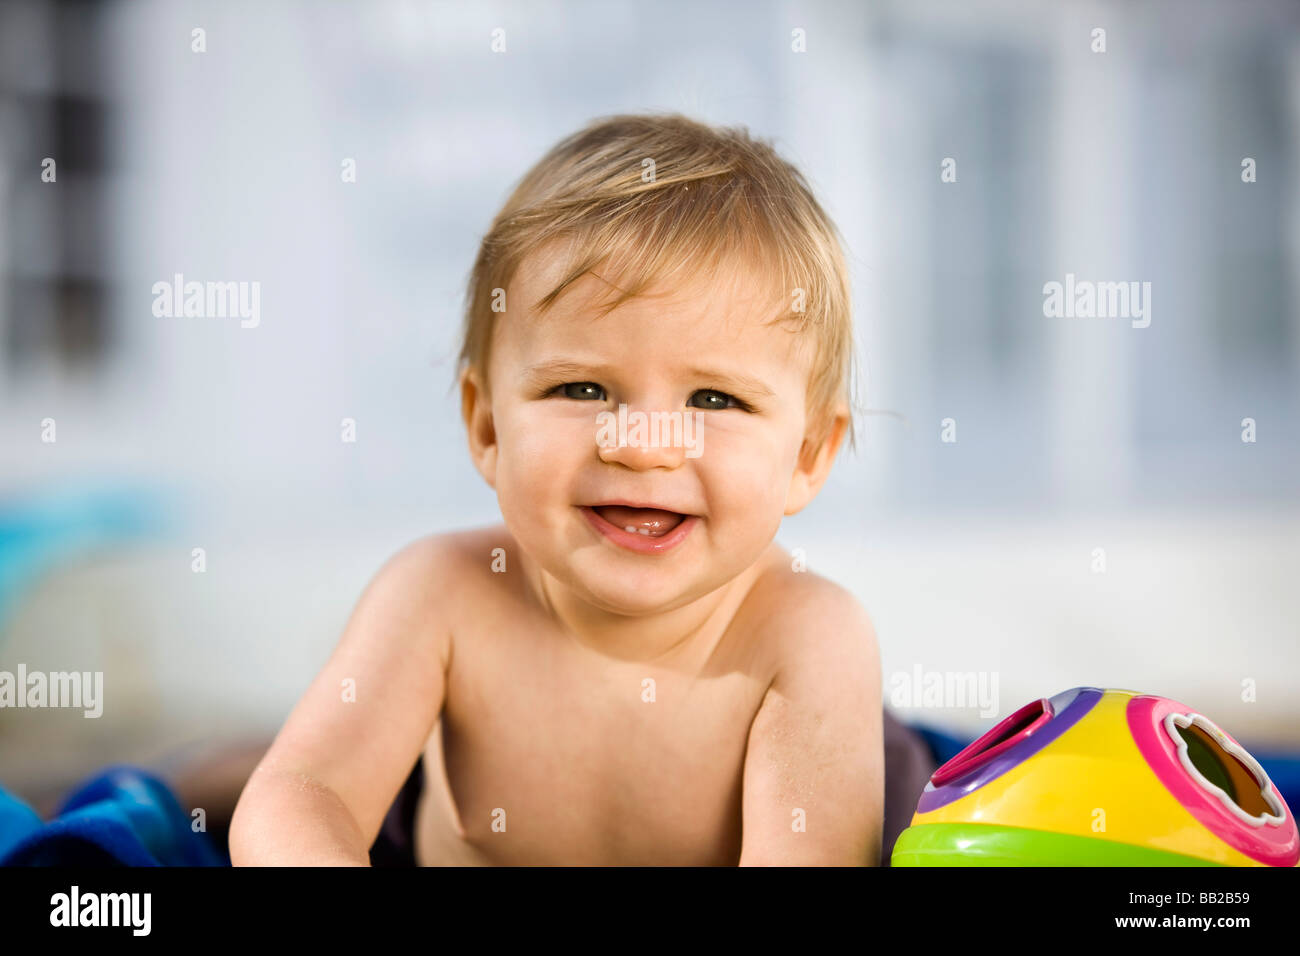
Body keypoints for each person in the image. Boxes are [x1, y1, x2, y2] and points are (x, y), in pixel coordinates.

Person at [229, 112, 890, 865]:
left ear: (808, 454)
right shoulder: (439, 595)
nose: (643, 447)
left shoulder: (809, 635)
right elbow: (301, 795)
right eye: (583, 388)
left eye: (713, 400)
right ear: (486, 426)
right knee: (224, 784)